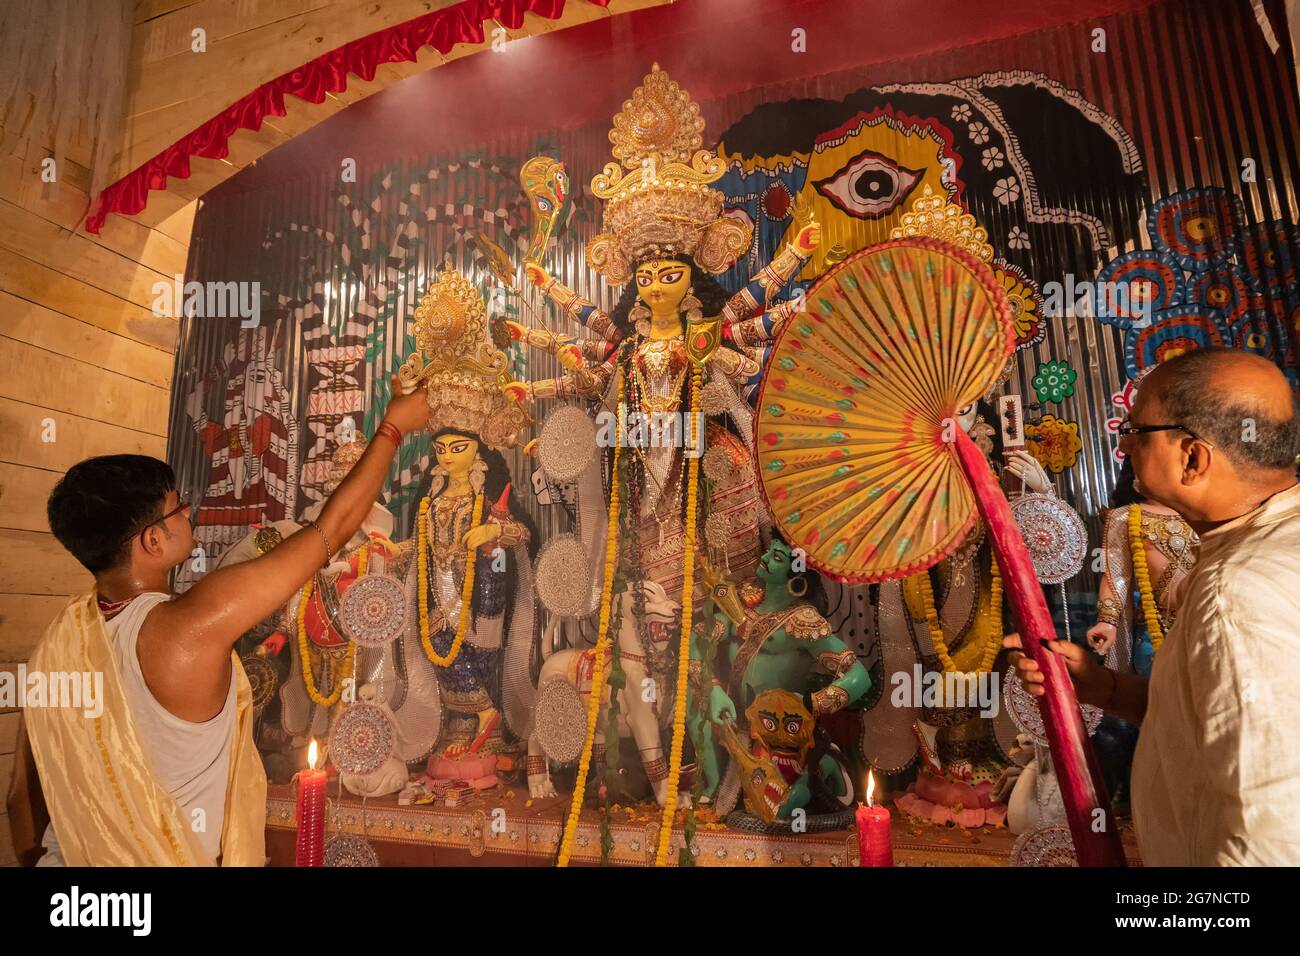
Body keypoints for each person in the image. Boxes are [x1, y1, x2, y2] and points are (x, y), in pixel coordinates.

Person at [18, 379, 429, 866]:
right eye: (179, 509)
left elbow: (21, 800)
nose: (188, 515)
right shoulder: (190, 622)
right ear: (152, 542)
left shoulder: (57, 645)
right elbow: (332, 529)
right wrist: (393, 427)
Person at [1006, 348, 1300, 865]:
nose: (1125, 447)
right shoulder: (1257, 552)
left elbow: (1272, 831)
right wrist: (1104, 687)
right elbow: (1209, 720)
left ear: (1192, 457)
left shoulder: (1237, 594)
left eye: (1136, 432)